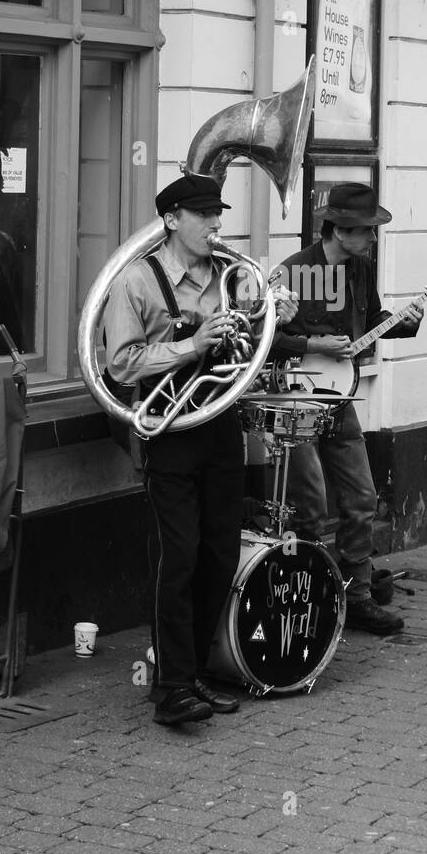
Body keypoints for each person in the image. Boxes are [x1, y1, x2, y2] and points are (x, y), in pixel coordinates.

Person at [103, 173, 298, 726]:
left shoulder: (230, 276)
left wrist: (272, 320)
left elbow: (251, 341)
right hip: (168, 428)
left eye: (219, 214)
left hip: (219, 424)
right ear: (172, 220)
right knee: (178, 558)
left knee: (219, 554)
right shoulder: (138, 281)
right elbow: (120, 363)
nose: (217, 224)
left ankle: (195, 674)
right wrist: (191, 343)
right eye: (205, 215)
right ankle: (169, 687)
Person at [271, 183, 424, 635]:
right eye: (366, 231)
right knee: (310, 504)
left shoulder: (360, 269)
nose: (372, 239)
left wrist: (402, 323)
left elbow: (371, 323)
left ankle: (356, 596)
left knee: (361, 497)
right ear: (338, 230)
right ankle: (303, 594)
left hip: (340, 399)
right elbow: (263, 337)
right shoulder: (291, 272)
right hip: (295, 397)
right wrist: (312, 342)